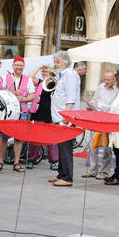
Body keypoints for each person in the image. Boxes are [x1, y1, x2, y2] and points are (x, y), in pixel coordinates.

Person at [49, 51, 80, 187]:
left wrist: (67, 116)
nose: (55, 64)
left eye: (57, 62)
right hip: (59, 117)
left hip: (65, 119)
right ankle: (61, 174)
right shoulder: (62, 75)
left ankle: (67, 177)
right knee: (61, 148)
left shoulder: (71, 74)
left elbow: (71, 97)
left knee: (65, 148)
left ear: (65, 63)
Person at [85, 69, 119, 178]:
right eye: (105, 79)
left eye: (108, 79)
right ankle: (92, 170)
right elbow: (94, 99)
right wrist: (91, 104)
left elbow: (114, 107)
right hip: (97, 118)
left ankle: (104, 172)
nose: (106, 81)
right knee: (93, 146)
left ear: (114, 79)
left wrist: (99, 104)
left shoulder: (118, 90)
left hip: (108, 120)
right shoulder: (101, 86)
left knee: (106, 148)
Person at [6, 57, 35, 171]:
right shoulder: (6, 77)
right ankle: (1, 162)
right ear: (13, 66)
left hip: (21, 111)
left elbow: (32, 96)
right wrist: (13, 93)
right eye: (17, 65)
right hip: (8, 111)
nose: (19, 67)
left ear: (23, 67)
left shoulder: (28, 79)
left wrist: (22, 98)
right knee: (3, 137)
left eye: (21, 65)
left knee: (18, 138)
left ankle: (16, 163)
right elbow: (1, 93)